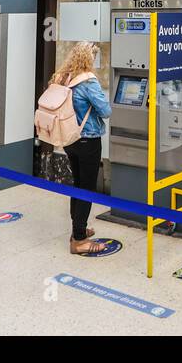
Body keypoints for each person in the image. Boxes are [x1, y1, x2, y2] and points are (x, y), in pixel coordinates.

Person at [50, 42, 111, 254]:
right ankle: (79, 240)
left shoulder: (64, 77)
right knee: (87, 188)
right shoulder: (87, 81)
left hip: (69, 139)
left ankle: (79, 228)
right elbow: (106, 110)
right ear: (88, 59)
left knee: (77, 184)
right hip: (88, 140)